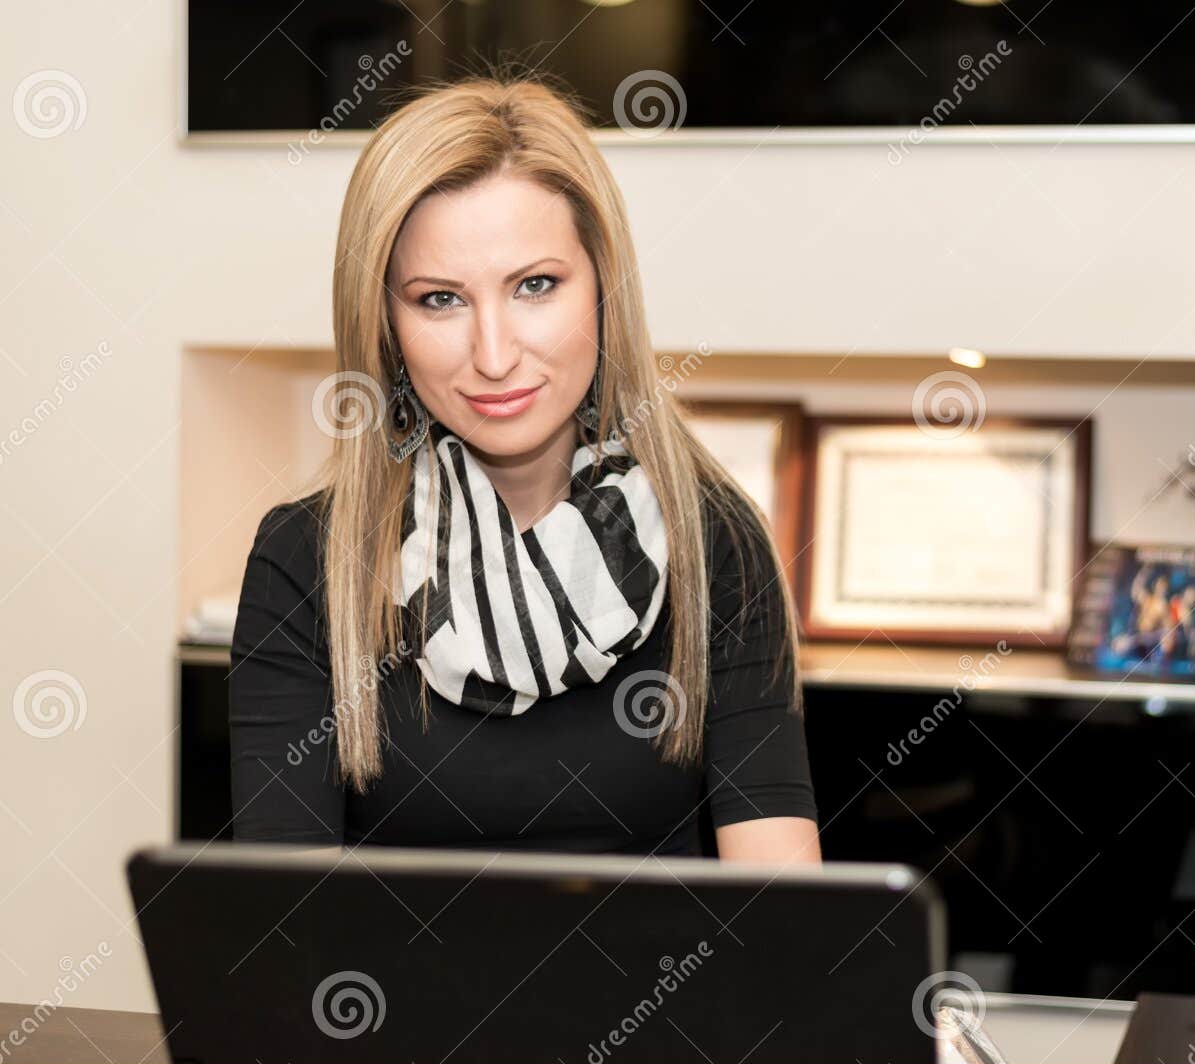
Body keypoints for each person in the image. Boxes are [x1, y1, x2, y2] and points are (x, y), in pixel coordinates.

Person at [228, 76, 820, 864]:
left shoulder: (713, 538)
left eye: (535, 285)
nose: (495, 354)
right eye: (440, 299)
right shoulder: (305, 560)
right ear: (384, 324)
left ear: (605, 287)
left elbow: (782, 919)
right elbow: (282, 936)